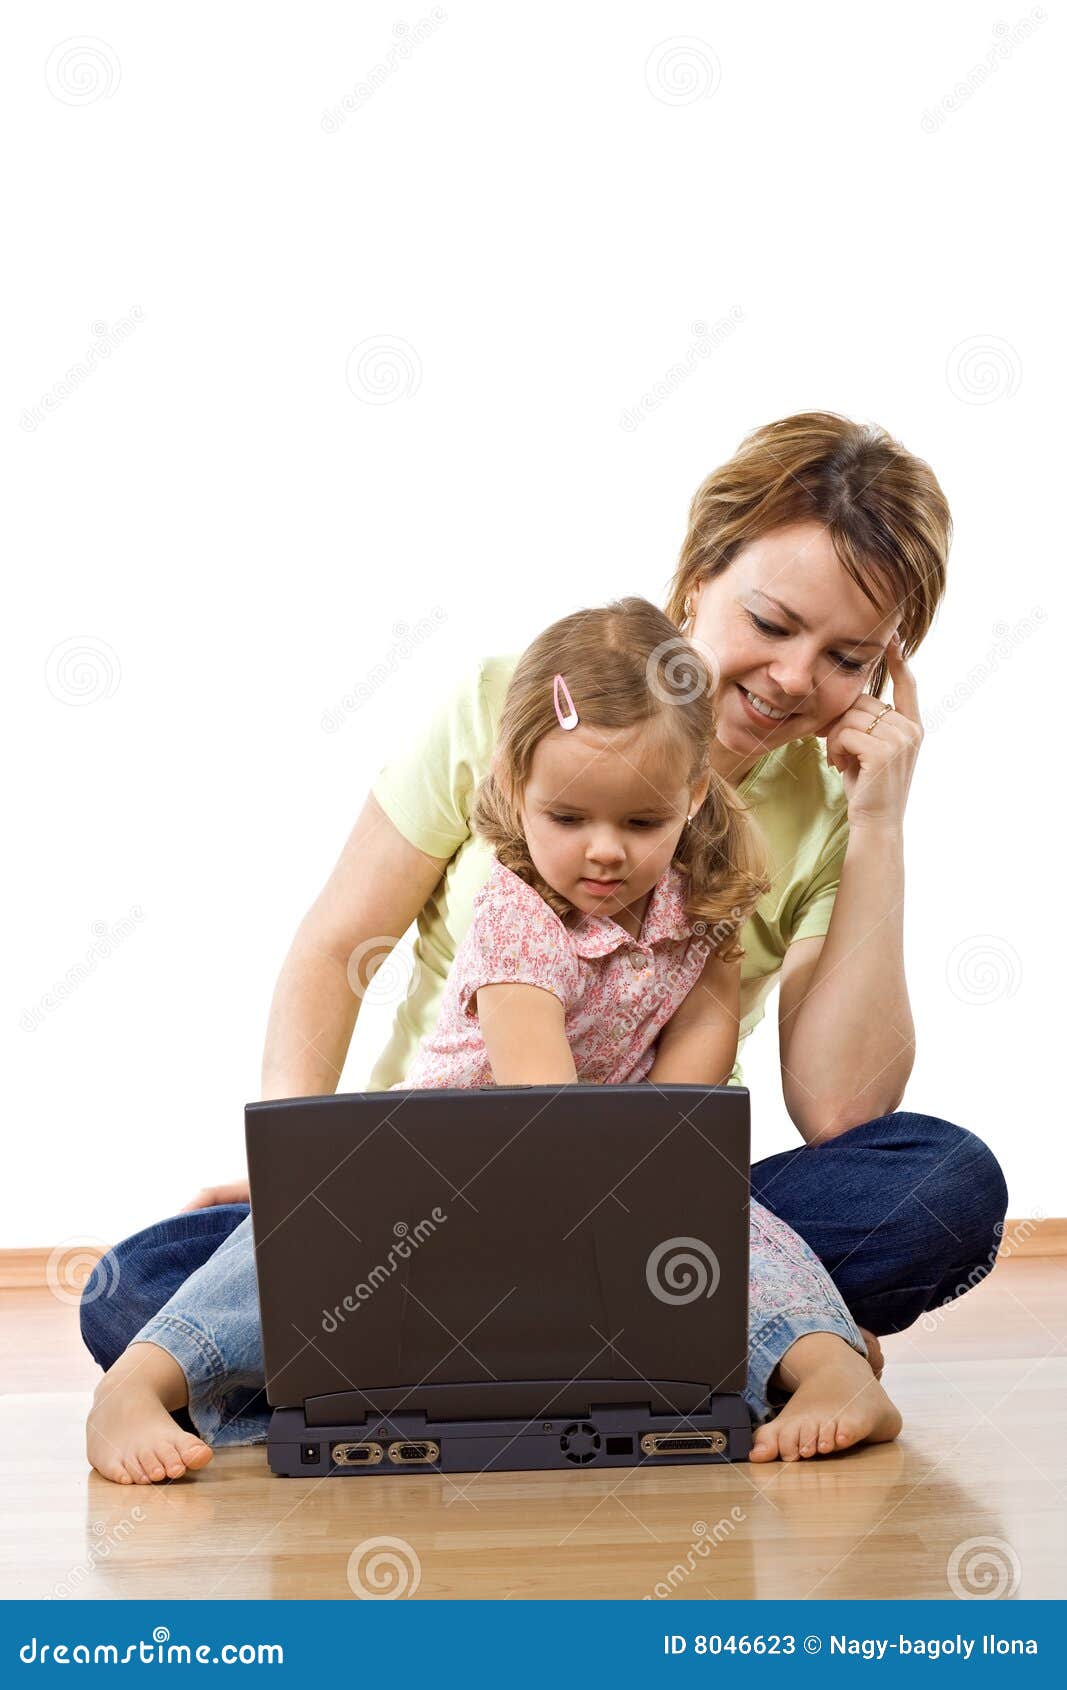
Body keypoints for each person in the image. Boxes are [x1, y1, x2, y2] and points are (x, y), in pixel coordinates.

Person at [82, 411, 1005, 1484]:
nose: (797, 678)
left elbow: (840, 1114)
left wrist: (880, 822)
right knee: (131, 1289)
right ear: (699, 573)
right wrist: (295, 1175)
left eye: (845, 657)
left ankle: (584, 1352)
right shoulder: (508, 709)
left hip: (645, 1185)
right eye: (771, 620)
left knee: (936, 1182)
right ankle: (722, 1357)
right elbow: (340, 944)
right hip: (427, 1178)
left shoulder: (810, 816)